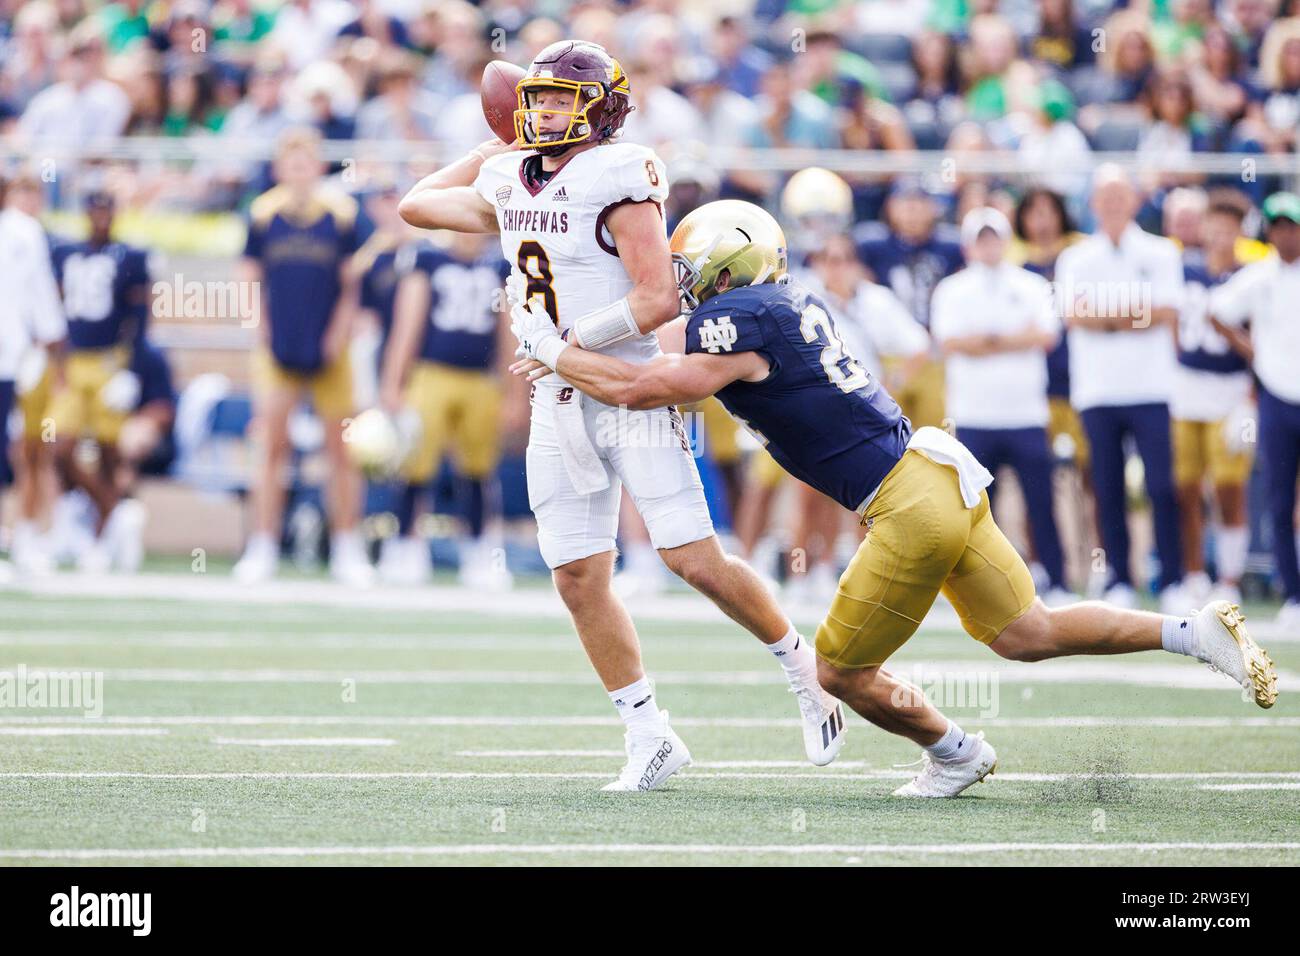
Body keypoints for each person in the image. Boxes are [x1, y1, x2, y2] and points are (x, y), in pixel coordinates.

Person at [510, 198, 1278, 798]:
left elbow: (648, 387)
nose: (681, 284)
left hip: (906, 503)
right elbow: (657, 359)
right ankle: (1191, 631)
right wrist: (588, 337)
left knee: (838, 675)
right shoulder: (782, 307)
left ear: (729, 270)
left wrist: (551, 349)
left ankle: (955, 752)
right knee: (1026, 631)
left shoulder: (735, 319)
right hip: (937, 471)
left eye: (692, 270)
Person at [397, 41, 845, 791]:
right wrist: (489, 144)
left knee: (690, 558)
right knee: (576, 574)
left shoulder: (620, 173)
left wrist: (565, 342)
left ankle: (805, 669)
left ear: (602, 107)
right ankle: (648, 733)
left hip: (626, 381)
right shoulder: (509, 173)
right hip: (555, 396)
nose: (543, 110)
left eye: (560, 100)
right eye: (535, 98)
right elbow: (416, 206)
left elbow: (657, 299)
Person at [232, 127, 372, 587]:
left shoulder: (342, 214)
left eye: (306, 163)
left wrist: (339, 331)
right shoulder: (262, 214)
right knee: (271, 446)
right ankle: (263, 544)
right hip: (280, 347)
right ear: (279, 169)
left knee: (341, 449)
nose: (298, 172)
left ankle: (348, 546)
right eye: (290, 163)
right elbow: (249, 277)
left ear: (316, 168)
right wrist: (260, 327)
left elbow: (351, 284)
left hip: (330, 346)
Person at [1054, 165, 1187, 610]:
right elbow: (1074, 314)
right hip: (1097, 391)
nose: (1112, 204)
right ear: (1093, 203)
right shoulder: (1076, 257)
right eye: (1104, 197)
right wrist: (1134, 315)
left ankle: (1172, 577)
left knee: (1162, 486)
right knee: (1107, 486)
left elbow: (1168, 311)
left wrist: (1108, 318)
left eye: (1120, 196)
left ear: (1133, 200)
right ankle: (1118, 577)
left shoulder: (1161, 252)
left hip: (1151, 387)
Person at [930, 207, 1072, 605]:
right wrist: (1010, 338)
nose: (989, 246)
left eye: (995, 238)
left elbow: (1045, 336)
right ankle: (966, 587)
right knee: (969, 509)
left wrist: (986, 341)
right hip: (973, 415)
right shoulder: (952, 288)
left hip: (1025, 415)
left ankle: (1055, 578)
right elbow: (950, 342)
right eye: (981, 238)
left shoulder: (1029, 284)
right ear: (969, 245)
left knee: (1040, 502)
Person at [376, 213, 516, 589]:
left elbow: (508, 332)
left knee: (477, 470)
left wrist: (513, 391)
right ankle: (404, 546)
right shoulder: (428, 258)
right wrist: (394, 381)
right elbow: (408, 323)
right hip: (431, 373)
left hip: (480, 380)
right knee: (415, 464)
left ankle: (480, 551)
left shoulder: (499, 264)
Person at [1208, 191, 1300, 628]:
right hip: (1277, 398)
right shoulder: (1259, 277)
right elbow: (1217, 310)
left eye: (1292, 226)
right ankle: (1294, 593)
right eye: (1278, 226)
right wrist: (1253, 351)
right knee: (1279, 500)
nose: (1285, 234)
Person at [48, 190, 151, 573]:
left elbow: (140, 319)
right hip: (73, 361)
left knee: (109, 451)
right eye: (95, 208)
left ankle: (100, 537)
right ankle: (108, 509)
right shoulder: (65, 253)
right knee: (59, 445)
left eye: (108, 208)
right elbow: (55, 305)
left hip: (110, 360)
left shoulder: (130, 256)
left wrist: (131, 369)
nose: (101, 216)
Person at [1170, 193, 1253, 605]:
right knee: (1186, 488)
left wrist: (1251, 398)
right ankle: (1194, 574)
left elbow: (1264, 346)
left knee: (1227, 488)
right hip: (1186, 389)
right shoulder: (1184, 271)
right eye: (1214, 228)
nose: (1220, 238)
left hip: (1230, 391)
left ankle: (1230, 578)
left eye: (1228, 229)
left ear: (1240, 232)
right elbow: (1170, 324)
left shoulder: (1250, 277)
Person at [0, 171, 66, 582]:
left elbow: (40, 296)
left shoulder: (24, 233)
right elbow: (42, 299)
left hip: (15, 357)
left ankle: (24, 536)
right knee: (23, 450)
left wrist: (46, 347)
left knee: (27, 450)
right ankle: (22, 537)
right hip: (16, 357)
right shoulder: (24, 233)